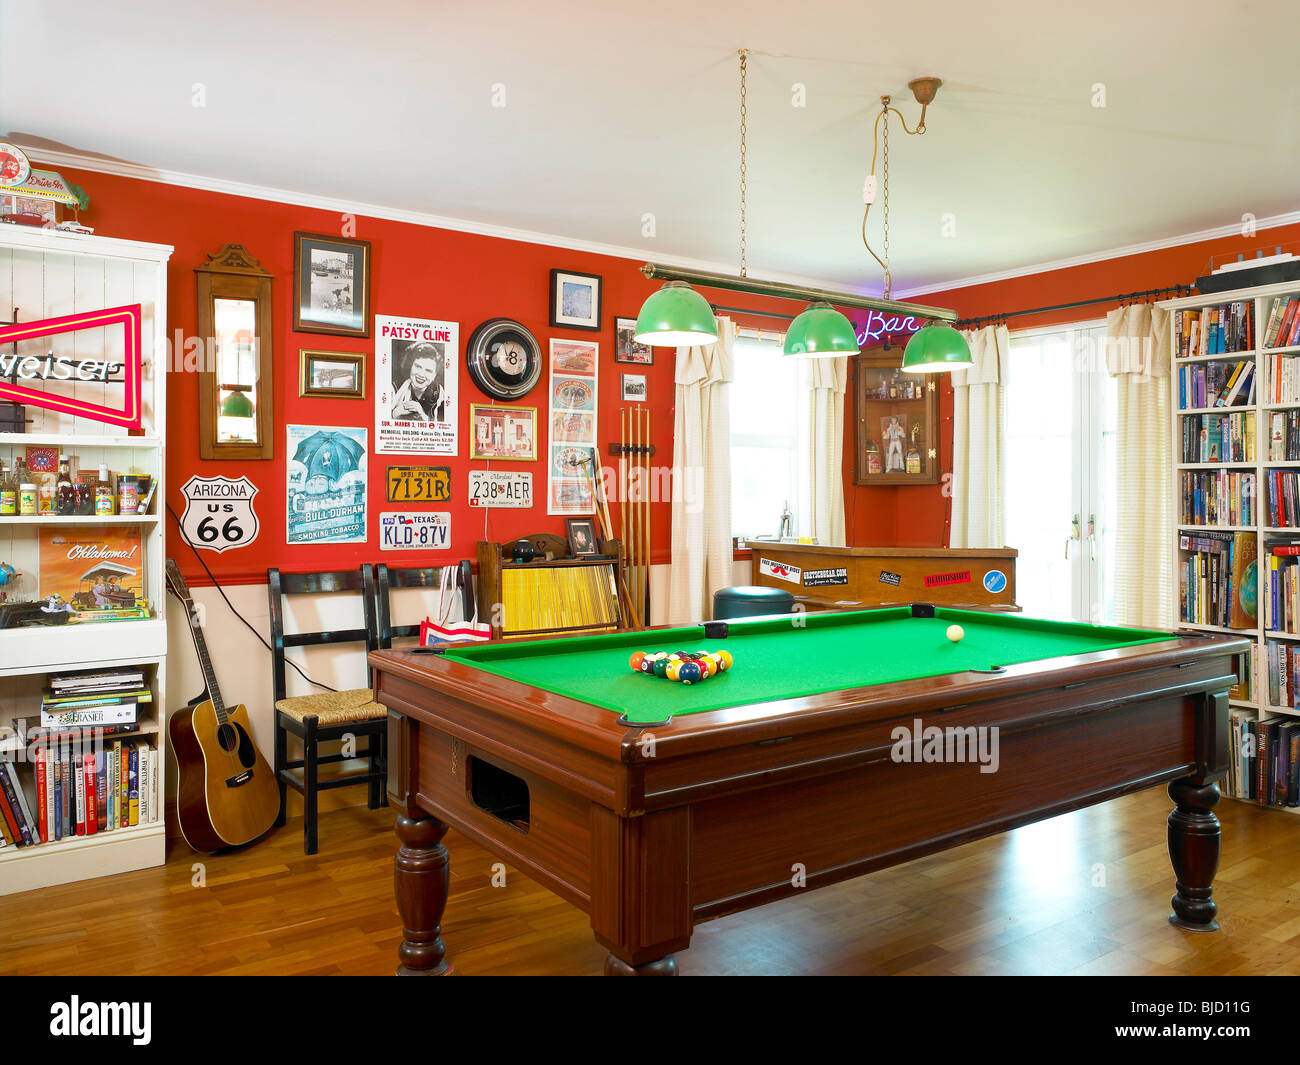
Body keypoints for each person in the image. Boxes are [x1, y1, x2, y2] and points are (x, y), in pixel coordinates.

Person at [391, 343, 447, 422]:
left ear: (435, 375)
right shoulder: (394, 388)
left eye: (428, 371)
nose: (421, 374)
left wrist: (423, 417)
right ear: (410, 366)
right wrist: (394, 414)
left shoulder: (440, 394)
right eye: (418, 366)